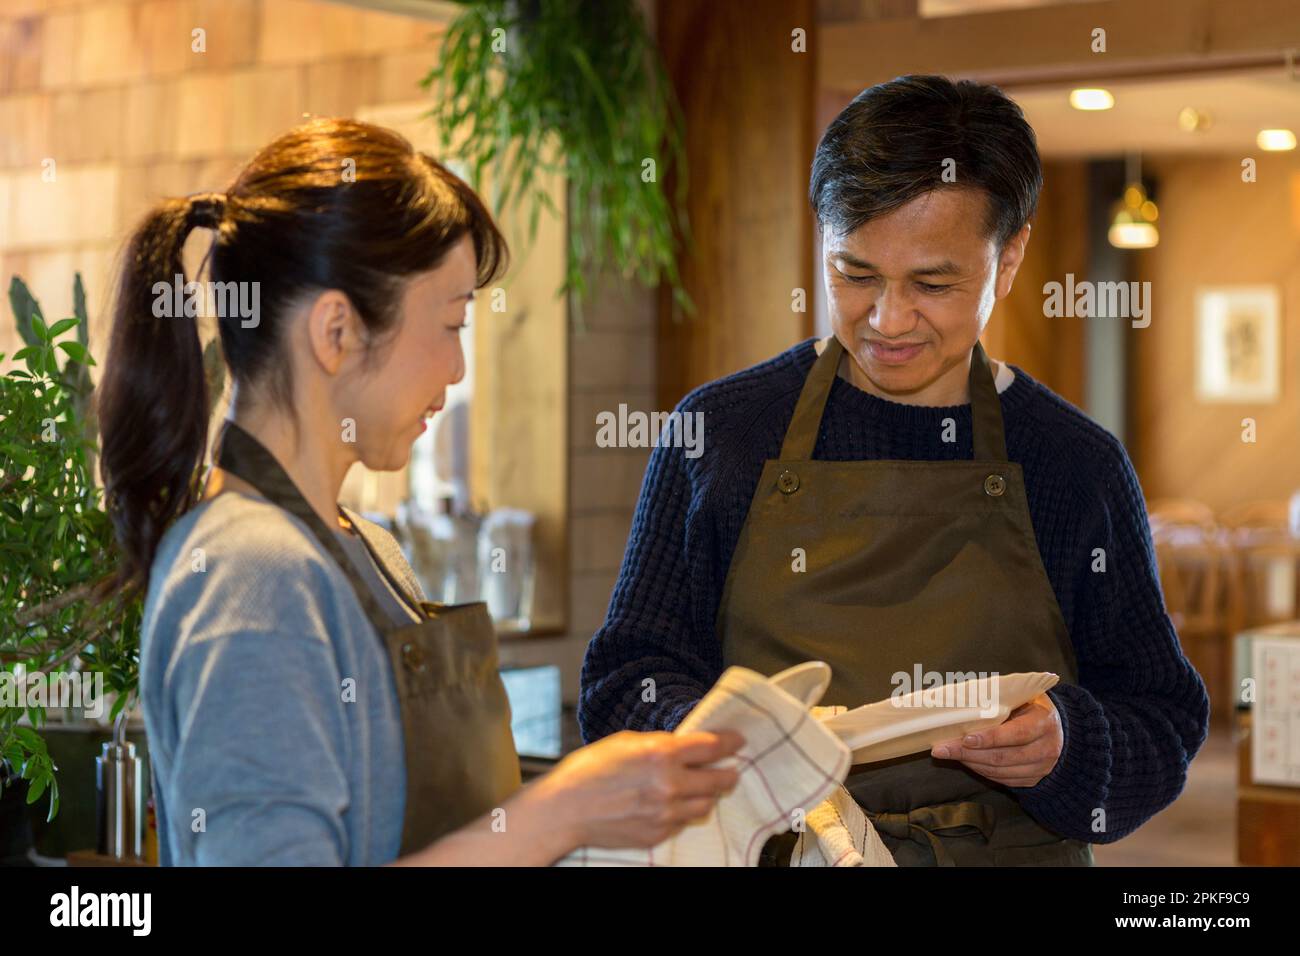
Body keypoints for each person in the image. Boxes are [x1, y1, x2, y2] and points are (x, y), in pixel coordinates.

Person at [579, 75, 1210, 866]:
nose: (887, 320)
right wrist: (709, 740)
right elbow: (623, 682)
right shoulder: (721, 433)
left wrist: (1070, 745)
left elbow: (1162, 716)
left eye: (933, 284)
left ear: (1009, 257)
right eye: (856, 274)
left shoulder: (1072, 462)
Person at [96, 118, 742, 866]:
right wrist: (560, 814)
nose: (459, 368)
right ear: (335, 331)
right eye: (449, 322)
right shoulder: (252, 574)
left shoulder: (365, 549)